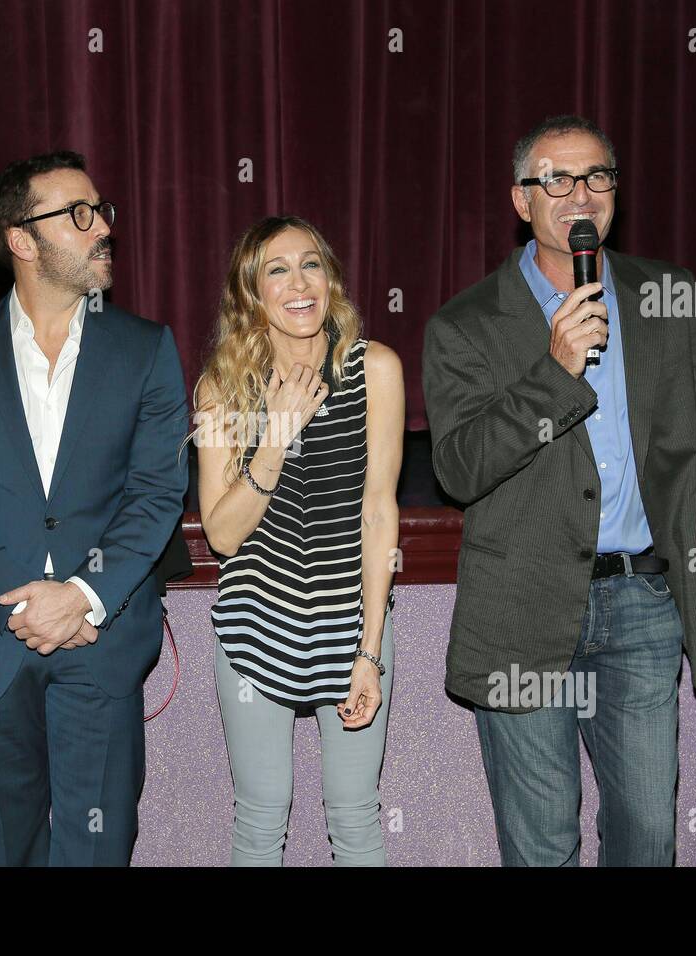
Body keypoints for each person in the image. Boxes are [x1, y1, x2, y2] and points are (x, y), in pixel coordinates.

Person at [422, 115, 696, 867]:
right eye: (557, 180)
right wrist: (554, 372)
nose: (580, 194)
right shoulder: (465, 325)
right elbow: (460, 470)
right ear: (521, 200)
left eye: (597, 177)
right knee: (543, 847)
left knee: (648, 841)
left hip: (641, 607)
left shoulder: (668, 296)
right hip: (522, 612)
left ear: (615, 192)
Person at [0, 151, 187, 867]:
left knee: (98, 850)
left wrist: (83, 597)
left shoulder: (145, 349)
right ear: (22, 240)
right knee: (11, 852)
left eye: (102, 213)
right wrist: (25, 608)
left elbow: (156, 493)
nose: (103, 230)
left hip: (104, 639)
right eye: (79, 214)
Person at [195, 216, 404, 865]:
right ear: (251, 294)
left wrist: (369, 649)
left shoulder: (377, 369)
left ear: (330, 278)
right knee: (260, 821)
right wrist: (277, 437)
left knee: (356, 818)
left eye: (310, 264)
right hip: (256, 626)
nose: (298, 283)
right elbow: (223, 536)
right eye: (276, 270)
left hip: (352, 625)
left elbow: (378, 512)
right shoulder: (219, 388)